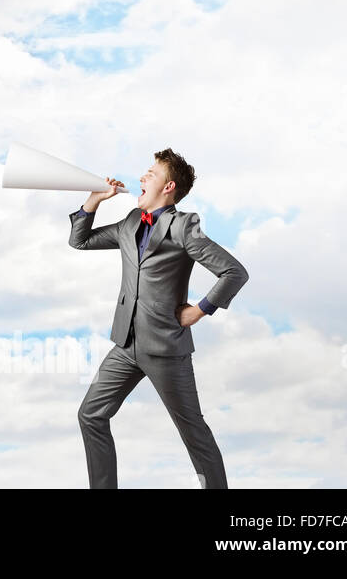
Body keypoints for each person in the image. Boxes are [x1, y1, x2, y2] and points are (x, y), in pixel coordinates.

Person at [69, 148, 248, 488]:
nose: (141, 178)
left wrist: (200, 309)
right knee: (90, 415)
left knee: (193, 430)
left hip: (165, 347)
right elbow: (80, 241)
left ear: (168, 187)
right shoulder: (130, 223)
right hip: (125, 344)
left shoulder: (184, 226)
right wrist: (94, 201)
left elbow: (233, 272)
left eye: (150, 174)